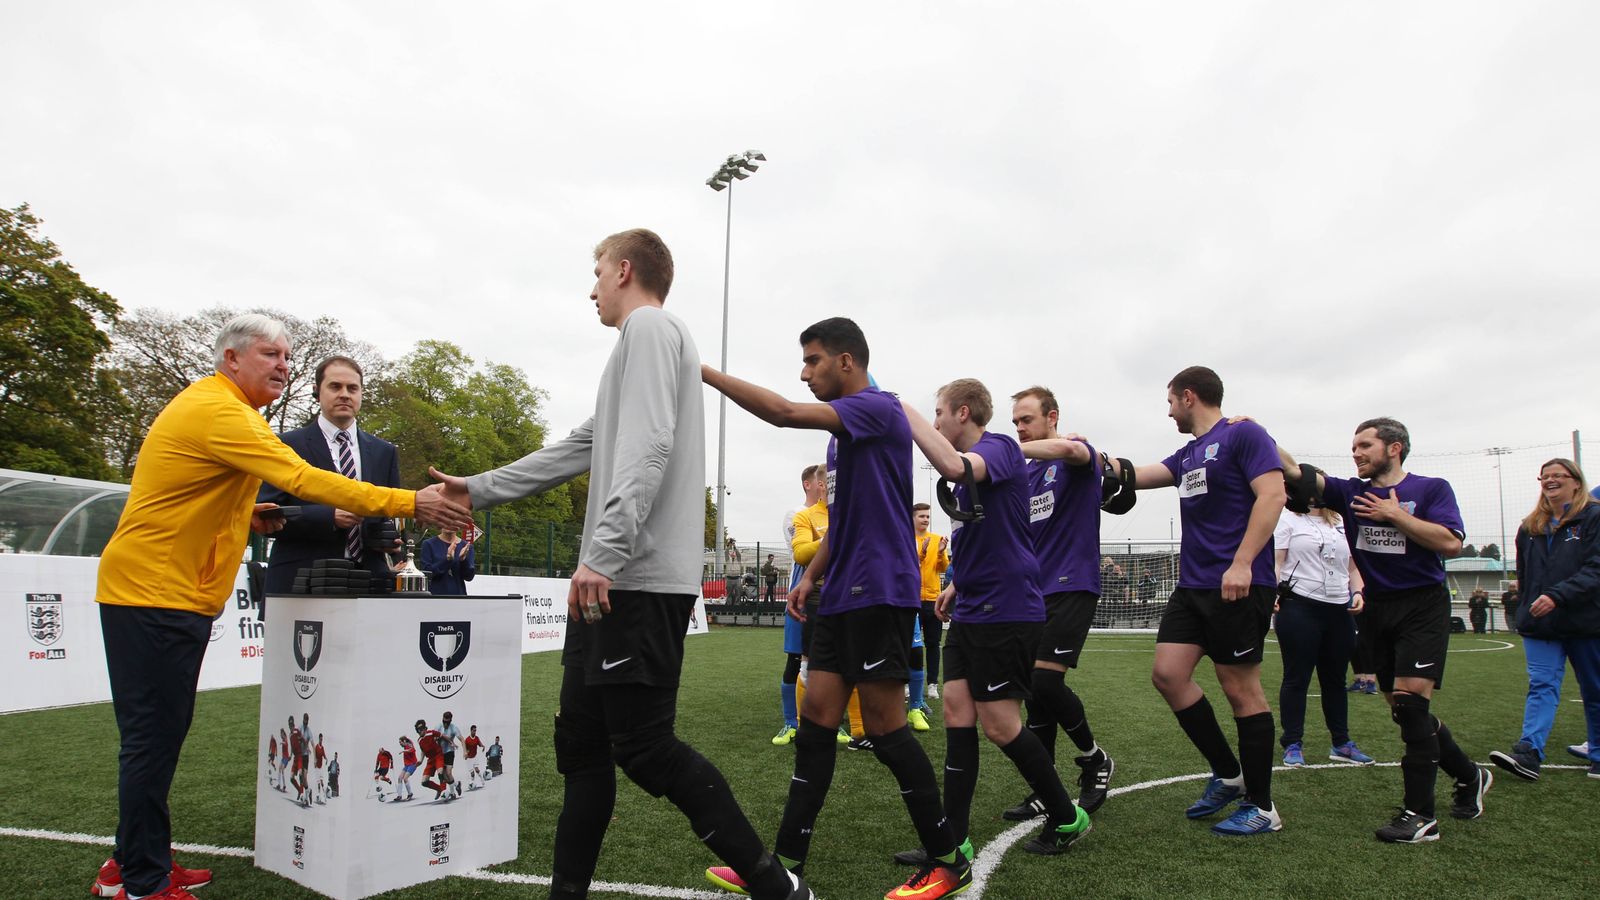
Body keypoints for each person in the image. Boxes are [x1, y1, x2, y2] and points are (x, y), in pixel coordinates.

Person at [431, 229, 810, 900]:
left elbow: (650, 445)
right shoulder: (634, 347)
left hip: (635, 581)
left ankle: (779, 889)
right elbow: (583, 444)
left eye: (598, 272)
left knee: (645, 750)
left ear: (625, 270)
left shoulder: (652, 329)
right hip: (610, 583)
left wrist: (603, 553)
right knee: (581, 751)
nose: (592, 289)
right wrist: (478, 489)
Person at [89, 314, 468, 900]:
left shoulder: (221, 408)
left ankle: (132, 862)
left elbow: (189, 493)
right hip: (155, 593)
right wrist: (408, 502)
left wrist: (248, 514)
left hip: (160, 591)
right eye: (271, 354)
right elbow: (301, 477)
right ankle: (142, 881)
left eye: (288, 357)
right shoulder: (222, 411)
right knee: (152, 738)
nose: (283, 366)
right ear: (231, 358)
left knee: (156, 735)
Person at [701, 317, 968, 900]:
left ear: (846, 361)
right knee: (817, 724)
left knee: (886, 729)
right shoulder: (839, 438)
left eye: (812, 360)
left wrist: (701, 371)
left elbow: (781, 412)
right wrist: (812, 577)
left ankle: (949, 861)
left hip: (881, 591)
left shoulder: (876, 407)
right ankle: (782, 866)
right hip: (841, 593)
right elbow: (843, 522)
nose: (804, 373)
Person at [893, 378, 1092, 865]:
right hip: (973, 608)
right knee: (956, 712)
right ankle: (954, 838)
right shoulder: (970, 472)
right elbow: (986, 534)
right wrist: (957, 584)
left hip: (1007, 610)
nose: (935, 421)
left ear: (963, 412)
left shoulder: (999, 448)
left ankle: (1067, 816)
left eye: (939, 413)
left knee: (1001, 727)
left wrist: (900, 408)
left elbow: (952, 464)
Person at [1279, 416, 1492, 843]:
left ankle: (1420, 816)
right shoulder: (1350, 492)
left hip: (1422, 605)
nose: (1355, 452)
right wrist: (1254, 432)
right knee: (1404, 711)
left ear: (1394, 448)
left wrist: (1394, 514)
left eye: (1365, 445)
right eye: (1354, 446)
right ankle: (1470, 775)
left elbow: (1450, 543)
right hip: (1377, 611)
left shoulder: (1432, 489)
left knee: (1412, 706)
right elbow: (1294, 472)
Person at [1123, 366, 1286, 836]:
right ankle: (1229, 774)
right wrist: (1086, 455)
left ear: (1189, 396)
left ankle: (1263, 807)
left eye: (1170, 402)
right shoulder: (1188, 453)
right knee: (1168, 676)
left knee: (1240, 690)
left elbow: (1273, 496)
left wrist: (1242, 563)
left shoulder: (1244, 434)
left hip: (1238, 583)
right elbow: (1136, 475)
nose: (1169, 411)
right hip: (1193, 587)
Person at [999, 386, 1116, 822]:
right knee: (1033, 694)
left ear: (1052, 417)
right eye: (1015, 422)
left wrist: (1004, 449)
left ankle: (1094, 758)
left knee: (1045, 682)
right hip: (1031, 592)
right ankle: (1044, 788)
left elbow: (1073, 450)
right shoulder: (1025, 475)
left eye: (1026, 419)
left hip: (1071, 584)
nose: (1019, 428)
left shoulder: (1074, 453)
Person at [1488, 459, 1600, 781]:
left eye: (1557, 475)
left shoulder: (1594, 517)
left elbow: (1596, 568)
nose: (1550, 480)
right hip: (1541, 624)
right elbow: (1524, 575)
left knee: (1594, 689)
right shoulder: (1530, 526)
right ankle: (1529, 752)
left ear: (1576, 481)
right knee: (1541, 685)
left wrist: (1557, 596)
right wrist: (1527, 606)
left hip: (1586, 621)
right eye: (1545, 476)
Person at [258, 354, 403, 595]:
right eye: (335, 386)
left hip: (370, 583)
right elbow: (266, 513)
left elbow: (388, 514)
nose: (344, 394)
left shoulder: (384, 452)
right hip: (301, 581)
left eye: (352, 388)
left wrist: (388, 541)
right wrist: (328, 517)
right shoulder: (284, 445)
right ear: (317, 391)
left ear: (361, 393)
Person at [1272, 507, 1375, 768]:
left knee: (1335, 680)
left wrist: (1357, 592)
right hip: (1298, 606)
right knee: (1297, 678)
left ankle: (1341, 743)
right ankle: (1292, 743)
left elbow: (1353, 567)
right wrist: (1272, 593)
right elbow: (1277, 562)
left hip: (1339, 609)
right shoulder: (1287, 519)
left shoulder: (1341, 521)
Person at [773, 465, 825, 746]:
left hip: (832, 590)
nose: (828, 485)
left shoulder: (836, 513)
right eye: (823, 481)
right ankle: (791, 722)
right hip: (803, 586)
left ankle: (827, 720)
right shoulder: (796, 514)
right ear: (810, 484)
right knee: (796, 657)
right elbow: (802, 553)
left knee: (829, 659)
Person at [913, 503, 950, 702]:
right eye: (921, 516)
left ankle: (933, 684)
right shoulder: (906, 539)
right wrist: (921, 553)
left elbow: (943, 568)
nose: (925, 519)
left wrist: (941, 552)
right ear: (913, 518)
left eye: (927, 516)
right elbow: (907, 565)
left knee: (933, 643)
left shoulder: (936, 539)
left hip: (933, 599)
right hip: (912, 600)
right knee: (911, 644)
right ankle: (908, 683)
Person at [420, 527, 476, 595]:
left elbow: (469, 577)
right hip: (435, 596)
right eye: (447, 521)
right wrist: (447, 560)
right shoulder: (428, 544)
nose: (449, 525)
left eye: (453, 521)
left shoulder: (466, 547)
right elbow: (427, 573)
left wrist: (463, 560)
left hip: (459, 597)